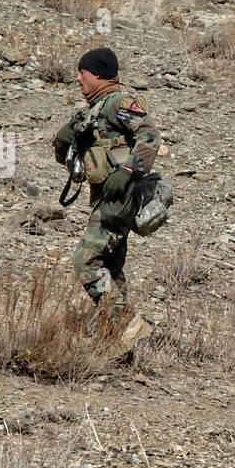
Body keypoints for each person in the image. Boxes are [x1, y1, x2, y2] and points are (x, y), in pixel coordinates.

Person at [52, 48, 161, 327]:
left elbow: (149, 135)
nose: (77, 78)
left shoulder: (118, 103)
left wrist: (127, 170)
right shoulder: (93, 110)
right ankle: (112, 336)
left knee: (86, 262)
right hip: (104, 197)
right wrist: (65, 142)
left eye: (82, 72)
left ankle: (125, 325)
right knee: (111, 266)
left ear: (97, 74)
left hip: (120, 197)